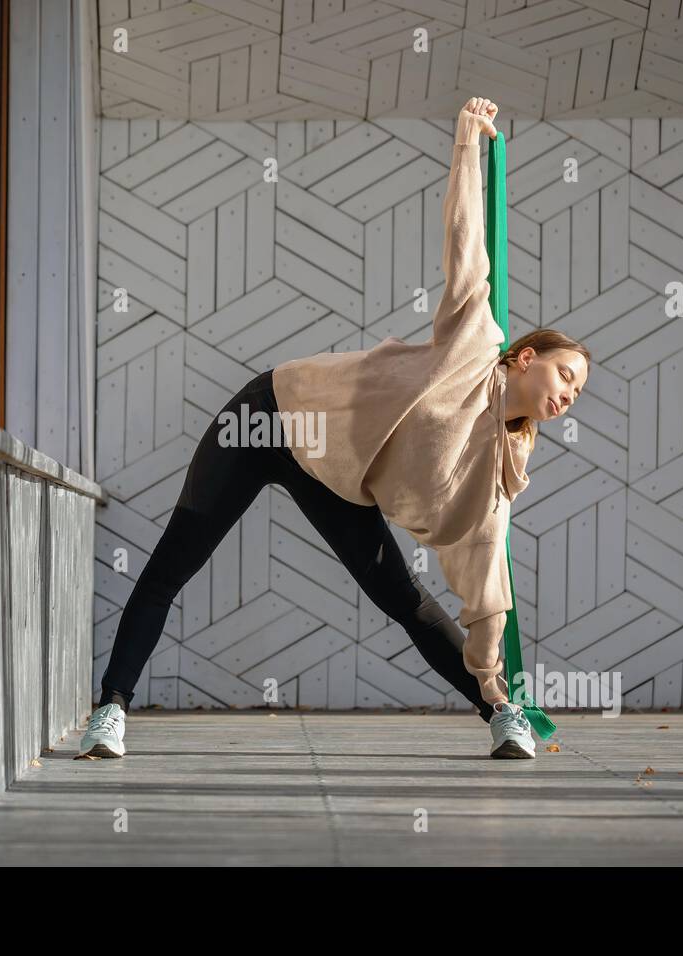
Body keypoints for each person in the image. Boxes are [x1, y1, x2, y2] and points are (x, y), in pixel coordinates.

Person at [81, 97, 590, 760]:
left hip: (337, 474)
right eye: (568, 376)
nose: (571, 395)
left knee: (402, 600)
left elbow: (485, 583)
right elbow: (467, 244)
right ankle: (109, 713)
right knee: (174, 564)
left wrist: (497, 682)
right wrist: (467, 140)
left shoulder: (498, 468)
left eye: (579, 392)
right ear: (526, 357)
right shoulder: (476, 340)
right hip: (272, 414)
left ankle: (498, 717)